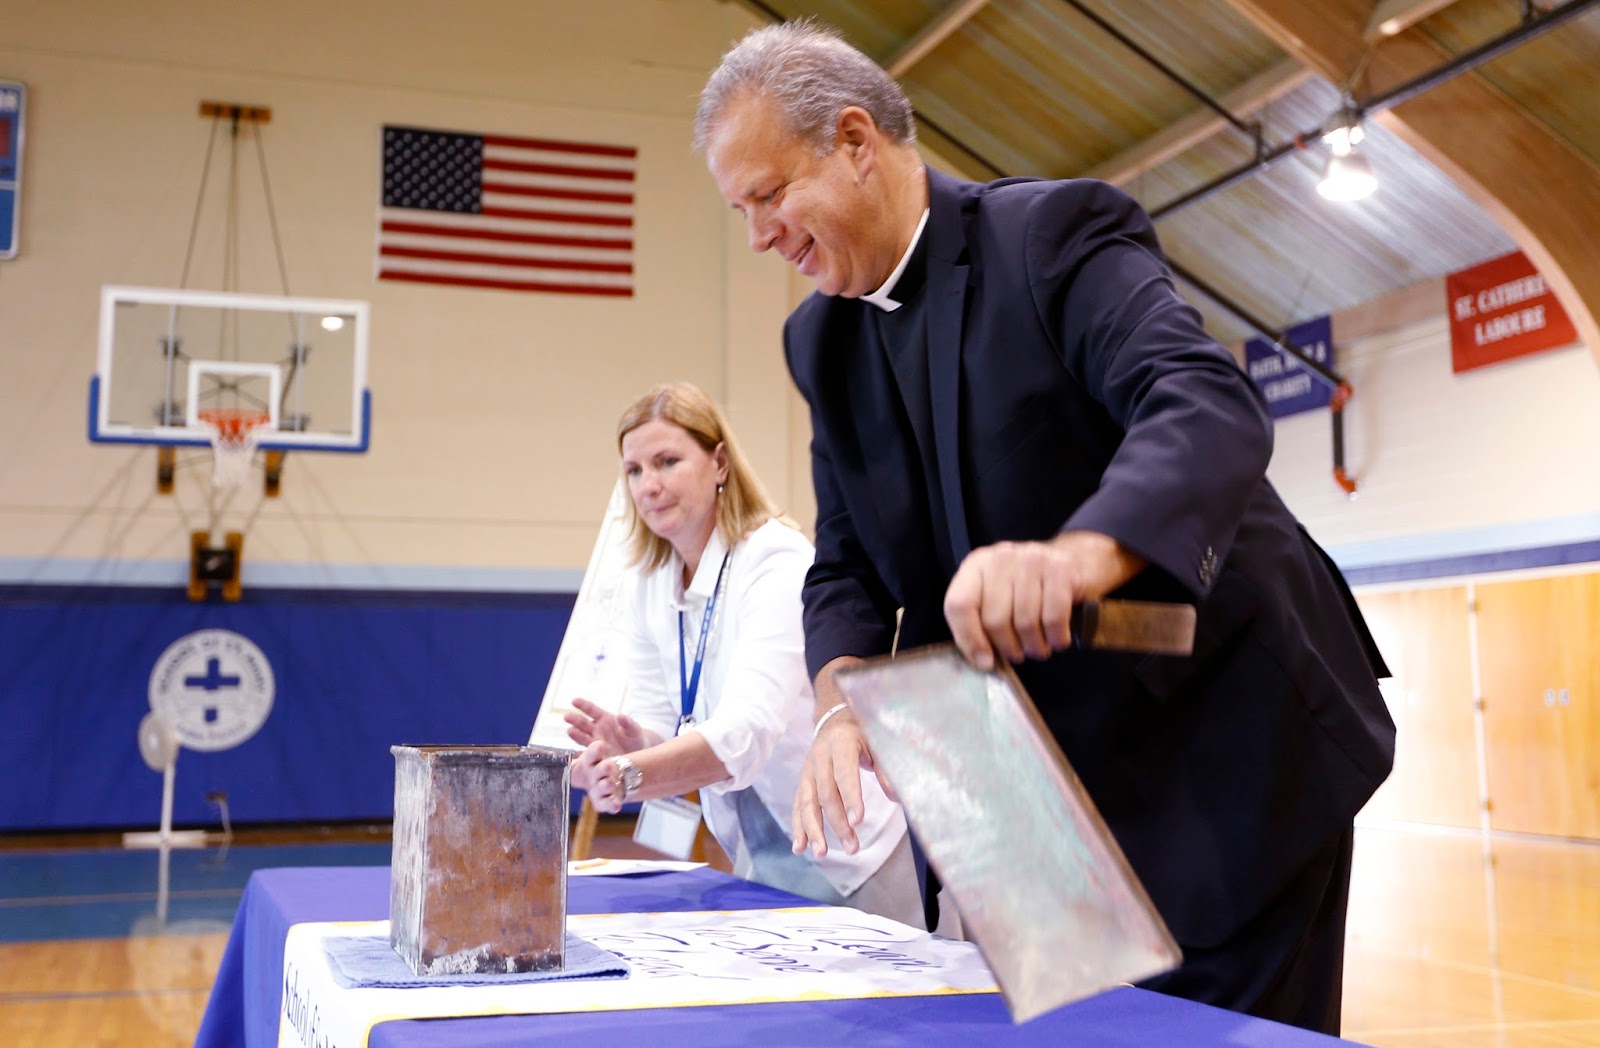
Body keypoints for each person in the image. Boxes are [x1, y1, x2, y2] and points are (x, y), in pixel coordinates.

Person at [693, 21, 1396, 1035]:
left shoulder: (1049, 235)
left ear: (854, 140)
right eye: (740, 211)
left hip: (1213, 747)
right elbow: (845, 563)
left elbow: (1201, 402)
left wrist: (1076, 559)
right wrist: (839, 707)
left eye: (769, 196)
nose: (759, 235)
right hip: (1016, 790)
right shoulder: (819, 341)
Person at [565, 381, 924, 929]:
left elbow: (746, 731)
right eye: (634, 470)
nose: (649, 485)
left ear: (720, 463)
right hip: (757, 845)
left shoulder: (774, 560)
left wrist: (631, 774)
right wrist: (636, 746)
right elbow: (666, 720)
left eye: (667, 462)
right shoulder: (649, 581)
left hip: (852, 846)